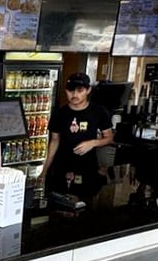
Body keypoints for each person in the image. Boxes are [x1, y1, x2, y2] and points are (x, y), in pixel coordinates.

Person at [43, 72, 113, 201]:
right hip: (61, 168)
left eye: (80, 90)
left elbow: (109, 138)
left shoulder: (99, 112)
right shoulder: (60, 113)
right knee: (59, 208)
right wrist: (44, 171)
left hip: (87, 169)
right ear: (66, 91)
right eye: (71, 90)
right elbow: (54, 141)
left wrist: (92, 143)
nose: (74, 95)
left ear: (88, 90)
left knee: (84, 209)